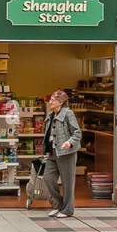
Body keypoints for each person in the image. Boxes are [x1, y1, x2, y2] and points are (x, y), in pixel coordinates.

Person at [42, 89, 81, 219]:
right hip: (52, 152)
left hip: (66, 153)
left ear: (61, 102)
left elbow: (77, 133)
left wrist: (69, 142)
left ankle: (67, 209)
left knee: (67, 182)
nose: (50, 101)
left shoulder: (68, 114)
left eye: (53, 99)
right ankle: (58, 204)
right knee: (47, 178)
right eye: (51, 99)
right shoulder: (50, 114)